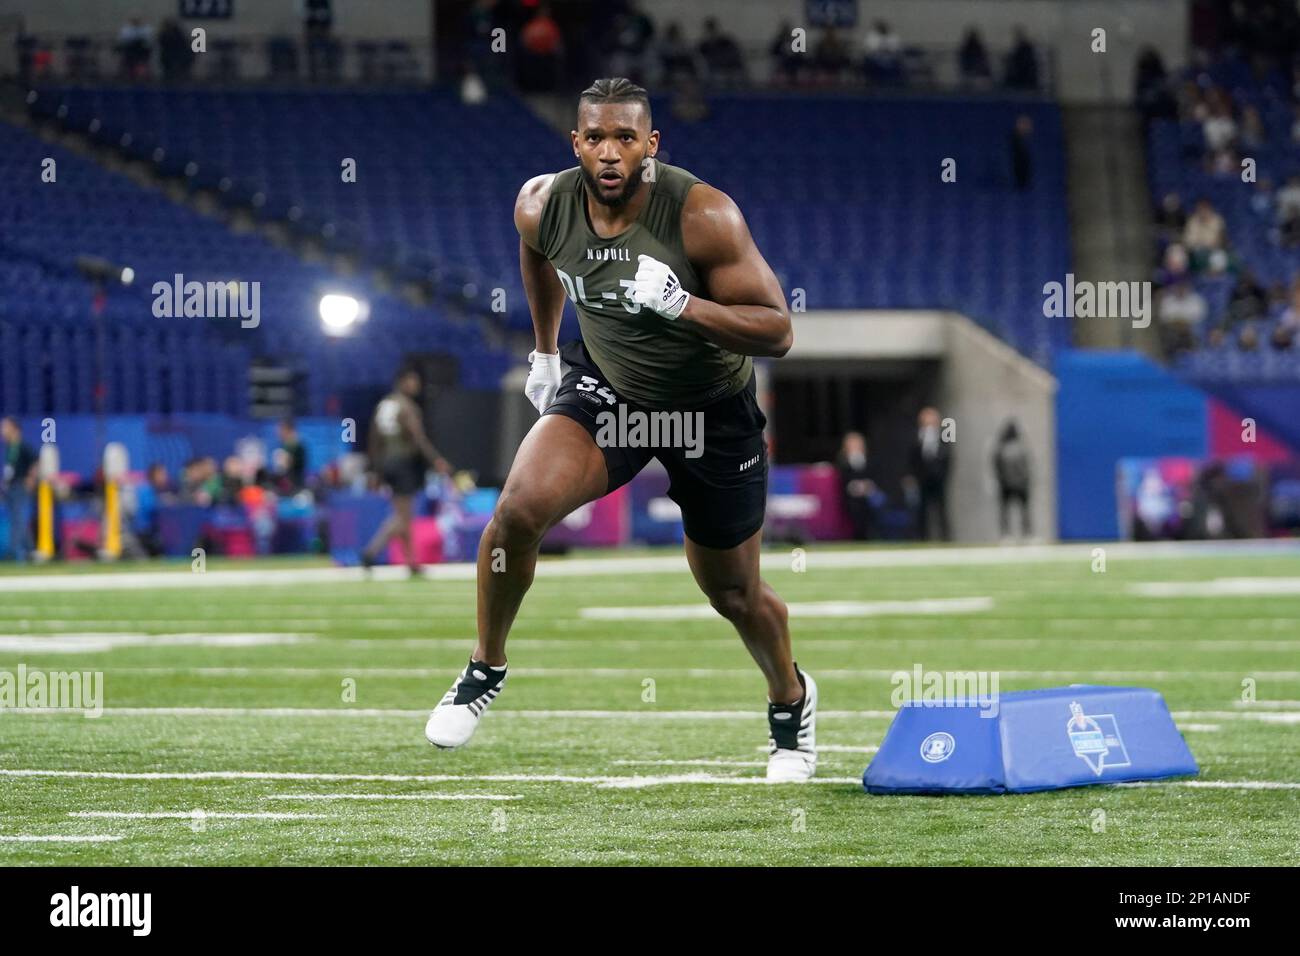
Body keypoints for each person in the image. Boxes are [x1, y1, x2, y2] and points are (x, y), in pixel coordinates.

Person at [423, 77, 814, 782]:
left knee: (733, 595)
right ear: (576, 142)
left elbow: (778, 331)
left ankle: (790, 701)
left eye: (625, 138)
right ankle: (486, 665)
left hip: (709, 413)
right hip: (612, 393)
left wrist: (684, 305)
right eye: (596, 137)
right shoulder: (541, 204)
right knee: (515, 512)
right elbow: (537, 256)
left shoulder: (704, 215)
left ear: (650, 146)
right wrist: (545, 350)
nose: (609, 152)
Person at [362, 368, 451, 576]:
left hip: (387, 464)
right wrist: (435, 460)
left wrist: (375, 470)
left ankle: (411, 562)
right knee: (403, 517)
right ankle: (371, 551)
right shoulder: (407, 407)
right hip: (403, 464)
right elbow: (418, 438)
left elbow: (374, 439)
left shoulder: (384, 405)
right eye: (413, 380)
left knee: (403, 515)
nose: (416, 385)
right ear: (403, 382)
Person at [906, 407, 951, 541]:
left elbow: (948, 457)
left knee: (941, 510)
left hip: (938, 479)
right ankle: (922, 538)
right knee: (922, 512)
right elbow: (912, 459)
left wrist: (942, 473)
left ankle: (945, 538)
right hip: (922, 479)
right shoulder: (916, 437)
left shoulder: (945, 436)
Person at [1, 417, 37, 561]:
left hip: (20, 486)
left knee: (18, 518)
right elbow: (10, 470)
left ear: (14, 429)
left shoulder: (23, 446)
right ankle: (30, 550)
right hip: (11, 487)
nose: (2, 431)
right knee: (17, 518)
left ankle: (17, 552)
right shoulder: (10, 447)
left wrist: (31, 479)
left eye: (5, 427)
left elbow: (35, 461)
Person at [992, 420, 1032, 542]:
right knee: (1022, 510)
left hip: (1007, 484)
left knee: (1007, 511)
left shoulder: (1001, 448)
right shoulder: (1020, 448)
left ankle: (1007, 534)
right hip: (1018, 484)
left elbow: (996, 466)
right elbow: (1027, 467)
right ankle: (1026, 534)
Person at [836, 431, 879, 540]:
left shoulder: (869, 459)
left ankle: (871, 535)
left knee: (873, 505)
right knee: (854, 508)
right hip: (850, 497)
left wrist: (867, 486)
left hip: (868, 495)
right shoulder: (842, 461)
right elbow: (842, 479)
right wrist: (854, 487)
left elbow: (875, 476)